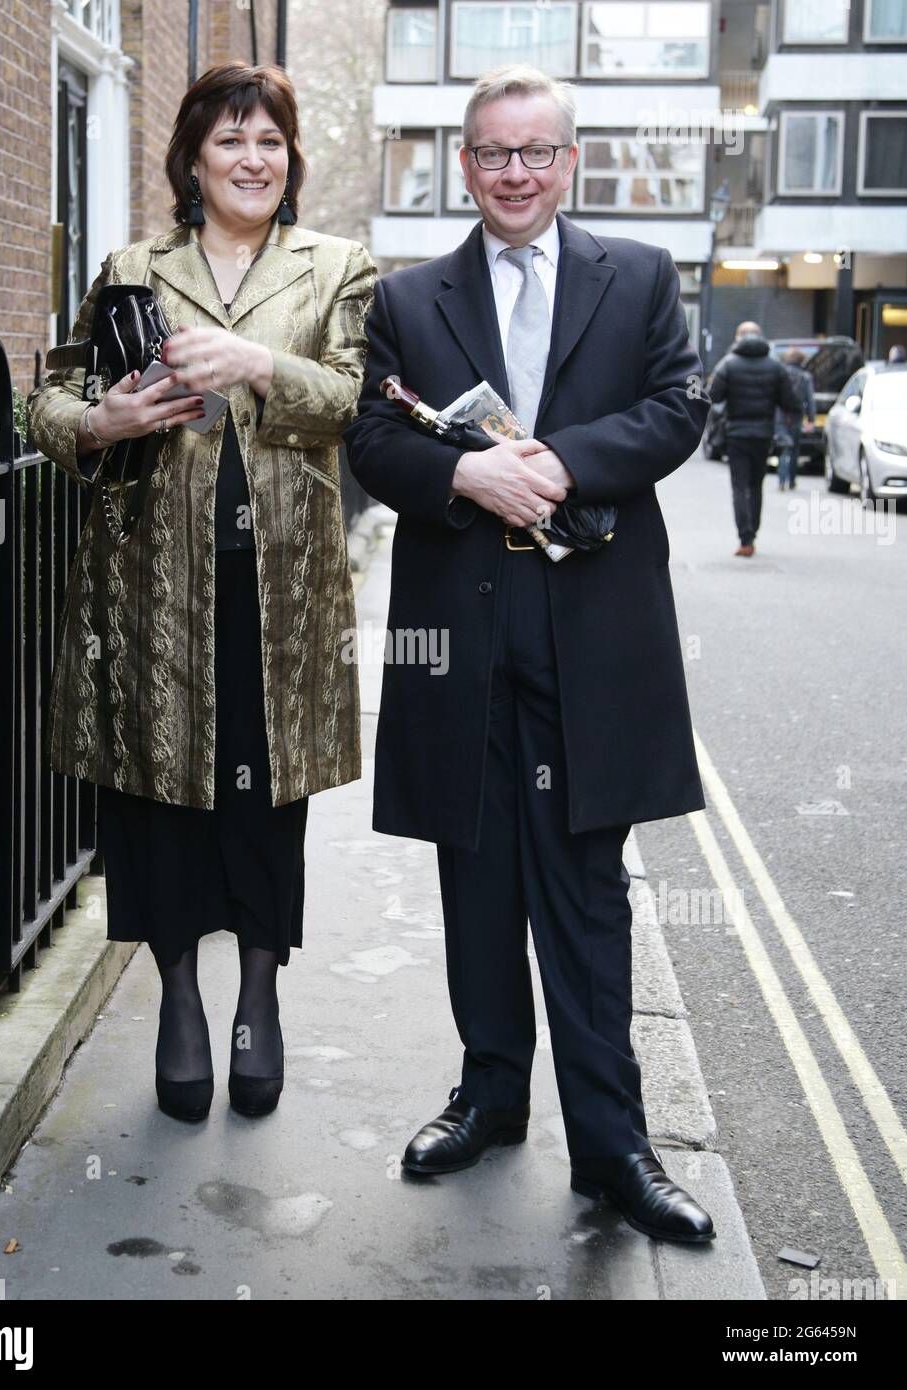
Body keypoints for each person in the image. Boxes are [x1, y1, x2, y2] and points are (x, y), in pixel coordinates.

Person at [345, 65, 714, 1243]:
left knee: (586, 893)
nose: (514, 173)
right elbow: (366, 436)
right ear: (463, 164)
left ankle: (613, 1148)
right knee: (475, 880)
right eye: (491, 154)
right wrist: (461, 470)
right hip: (460, 635)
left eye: (535, 153)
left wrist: (553, 460)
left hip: (591, 641)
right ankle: (489, 1096)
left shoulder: (640, 276)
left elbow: (675, 408)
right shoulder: (408, 298)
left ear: (569, 161)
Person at [28, 62, 376, 1124]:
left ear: (290, 160)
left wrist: (255, 362)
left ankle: (256, 1001)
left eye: (269, 141)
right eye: (229, 141)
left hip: (281, 588)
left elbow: (355, 405)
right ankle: (180, 997)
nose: (251, 159)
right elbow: (54, 391)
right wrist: (99, 423)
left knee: (265, 800)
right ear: (190, 158)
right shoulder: (133, 264)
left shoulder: (337, 268)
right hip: (152, 586)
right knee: (158, 799)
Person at [707, 321, 800, 554]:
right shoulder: (775, 366)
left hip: (736, 434)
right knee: (756, 485)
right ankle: (753, 533)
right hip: (763, 435)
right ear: (762, 337)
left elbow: (711, 397)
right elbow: (790, 400)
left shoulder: (728, 364)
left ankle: (744, 538)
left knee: (739, 486)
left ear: (738, 338)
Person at [774, 348, 815, 491]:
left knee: (784, 447)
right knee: (794, 449)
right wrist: (811, 419)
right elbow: (810, 399)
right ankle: (791, 480)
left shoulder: (780, 373)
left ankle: (781, 480)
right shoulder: (805, 376)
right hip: (797, 415)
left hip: (780, 415)